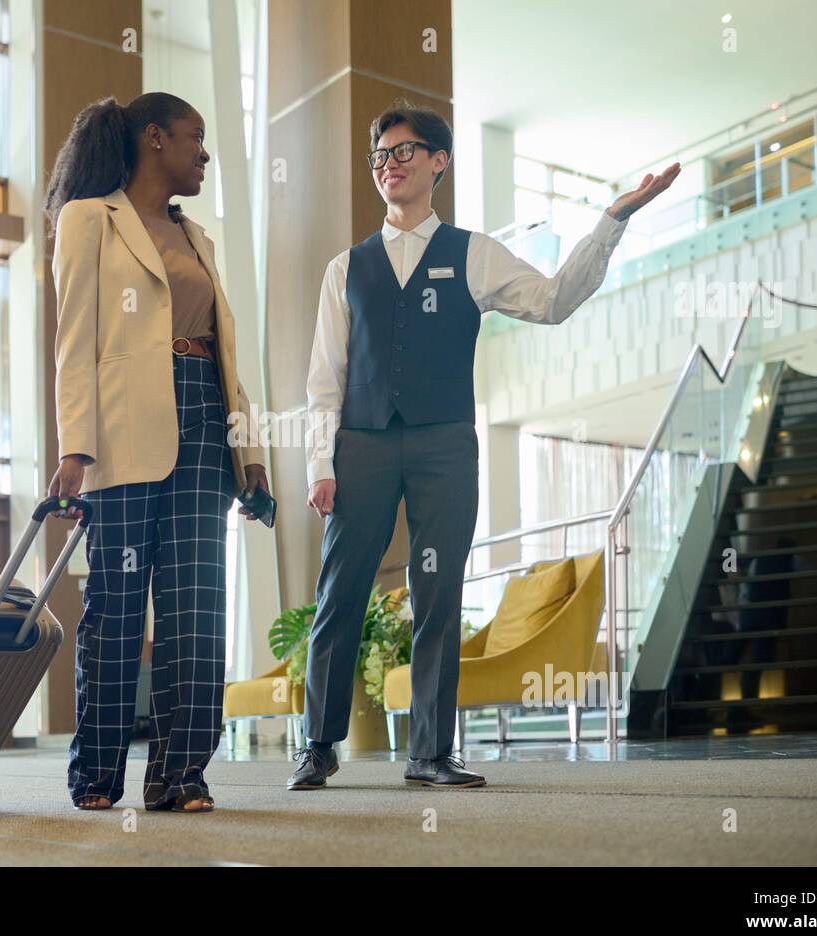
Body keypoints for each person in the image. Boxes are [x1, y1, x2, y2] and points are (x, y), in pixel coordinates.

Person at [290, 100, 679, 790]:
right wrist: (321, 463)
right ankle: (318, 745)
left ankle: (432, 754)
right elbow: (326, 380)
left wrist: (611, 224)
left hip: (444, 444)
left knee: (438, 591)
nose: (390, 165)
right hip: (364, 444)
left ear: (438, 161)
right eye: (380, 156)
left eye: (404, 151)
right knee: (339, 593)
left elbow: (555, 300)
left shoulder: (472, 252)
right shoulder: (344, 269)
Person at [45, 92, 271, 813]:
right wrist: (75, 448)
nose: (204, 154)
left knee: (198, 608)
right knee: (115, 609)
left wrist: (251, 449)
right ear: (153, 139)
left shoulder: (197, 237)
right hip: (122, 431)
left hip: (206, 418)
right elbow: (74, 343)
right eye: (193, 138)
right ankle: (98, 775)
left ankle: (181, 775)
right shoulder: (89, 219)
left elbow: (228, 354)